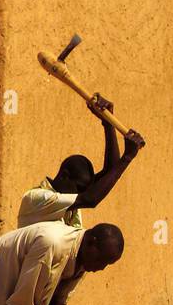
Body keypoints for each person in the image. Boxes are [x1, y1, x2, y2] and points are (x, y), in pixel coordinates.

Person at [17, 95, 144, 229]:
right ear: (64, 175)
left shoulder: (70, 201)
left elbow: (109, 171)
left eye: (82, 190)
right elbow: (90, 199)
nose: (80, 193)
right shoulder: (38, 198)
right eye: (79, 187)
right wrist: (127, 158)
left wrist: (108, 122)